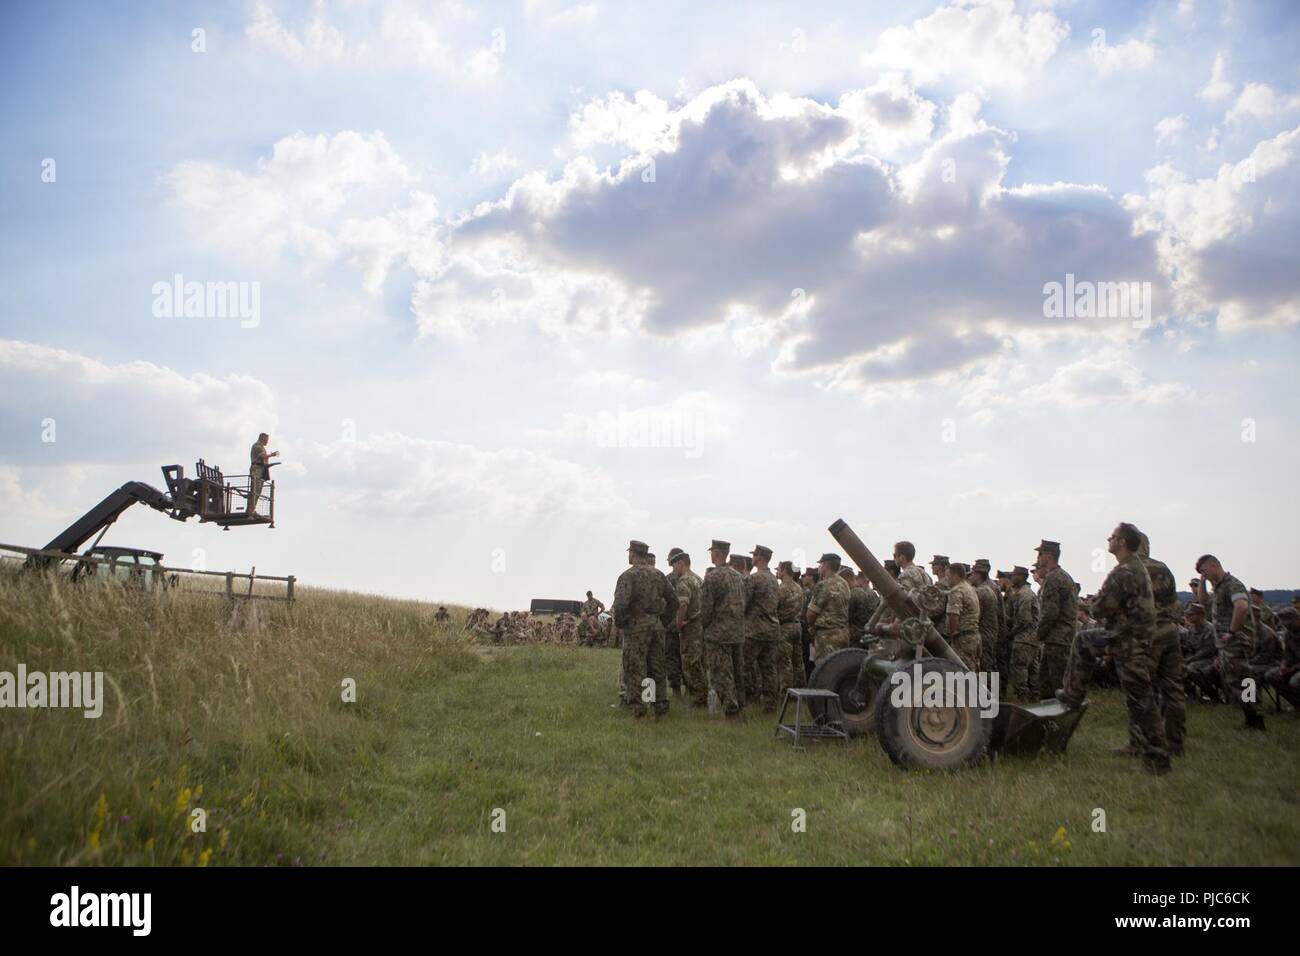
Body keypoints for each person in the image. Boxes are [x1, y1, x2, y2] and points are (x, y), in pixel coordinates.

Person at [1059, 523, 1171, 774]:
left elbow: (1100, 607)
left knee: (1141, 700)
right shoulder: (1133, 567)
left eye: (1112, 537)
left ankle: (1158, 759)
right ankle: (1072, 693)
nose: (1108, 540)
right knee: (1086, 643)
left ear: (1121, 542)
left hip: (1127, 640)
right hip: (1128, 637)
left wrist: (1097, 601)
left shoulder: (1124, 571)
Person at [1195, 553, 1266, 730]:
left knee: (1245, 680)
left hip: (1238, 640)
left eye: (1204, 571)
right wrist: (1203, 582)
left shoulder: (1232, 584)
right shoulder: (1218, 588)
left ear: (1213, 566)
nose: (1204, 575)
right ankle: (1250, 715)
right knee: (1236, 680)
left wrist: (1232, 632)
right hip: (1227, 643)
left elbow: (1241, 606)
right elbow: (1202, 601)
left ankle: (1255, 717)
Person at [1137, 532, 1187, 756]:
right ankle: (1175, 743)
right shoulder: (1164, 568)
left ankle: (1143, 742)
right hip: (1170, 631)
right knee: (1173, 690)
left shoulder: (1131, 569)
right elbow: (1175, 603)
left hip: (1147, 634)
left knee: (1142, 688)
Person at [611, 540, 668, 719]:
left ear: (633, 554)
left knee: (636, 668)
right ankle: (657, 705)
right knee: (655, 667)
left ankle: (639, 708)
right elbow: (673, 600)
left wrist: (622, 623)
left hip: (636, 628)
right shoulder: (659, 575)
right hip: (656, 627)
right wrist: (662, 620)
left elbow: (620, 606)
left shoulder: (628, 576)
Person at [700, 540, 747, 717]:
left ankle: (731, 708)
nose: (711, 555)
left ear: (717, 553)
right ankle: (740, 704)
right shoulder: (738, 576)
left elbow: (706, 609)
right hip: (737, 630)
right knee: (737, 670)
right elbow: (744, 603)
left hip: (718, 633)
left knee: (721, 672)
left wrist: (704, 627)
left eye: (712, 551)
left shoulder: (712, 577)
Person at [1033, 539, 1077, 699]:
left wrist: (1039, 635)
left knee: (1053, 685)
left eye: (1040, 553)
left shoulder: (1053, 578)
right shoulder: (1064, 576)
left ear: (1049, 555)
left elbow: (1050, 612)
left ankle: (1058, 721)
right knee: (1051, 683)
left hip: (1056, 641)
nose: (1038, 557)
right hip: (1062, 639)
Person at [668, 549, 707, 707]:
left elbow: (683, 605)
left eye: (674, 565)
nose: (673, 569)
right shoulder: (697, 578)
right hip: (700, 624)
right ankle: (700, 694)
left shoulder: (683, 581)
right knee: (700, 661)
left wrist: (678, 624)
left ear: (681, 563)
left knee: (690, 662)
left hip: (690, 627)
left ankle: (699, 699)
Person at [806, 552, 851, 662]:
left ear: (825, 565)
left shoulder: (823, 585)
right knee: (839, 671)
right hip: (843, 633)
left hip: (827, 637)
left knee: (825, 672)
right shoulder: (844, 584)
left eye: (820, 564)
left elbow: (811, 614)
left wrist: (810, 626)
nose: (819, 567)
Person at [1006, 566, 1040, 701]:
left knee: (1020, 670)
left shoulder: (1024, 595)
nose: (1011, 578)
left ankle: (1024, 701)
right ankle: (1035, 700)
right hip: (1031, 639)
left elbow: (1024, 620)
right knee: (1032, 671)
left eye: (1013, 575)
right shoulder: (1025, 593)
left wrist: (1010, 634)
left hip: (1024, 639)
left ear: (1020, 576)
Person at [944, 563, 981, 669]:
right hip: (974, 636)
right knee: (972, 673)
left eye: (948, 576)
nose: (947, 579)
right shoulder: (970, 588)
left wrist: (953, 634)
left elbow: (953, 615)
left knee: (960, 673)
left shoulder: (957, 590)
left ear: (955, 575)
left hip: (963, 639)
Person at [246, 432, 279, 515]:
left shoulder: (261, 447)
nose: (267, 441)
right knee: (255, 490)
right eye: (266, 439)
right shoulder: (257, 446)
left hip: (261, 470)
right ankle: (250, 510)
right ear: (262, 438)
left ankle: (252, 509)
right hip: (256, 470)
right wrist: (272, 455)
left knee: (257, 492)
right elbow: (262, 456)